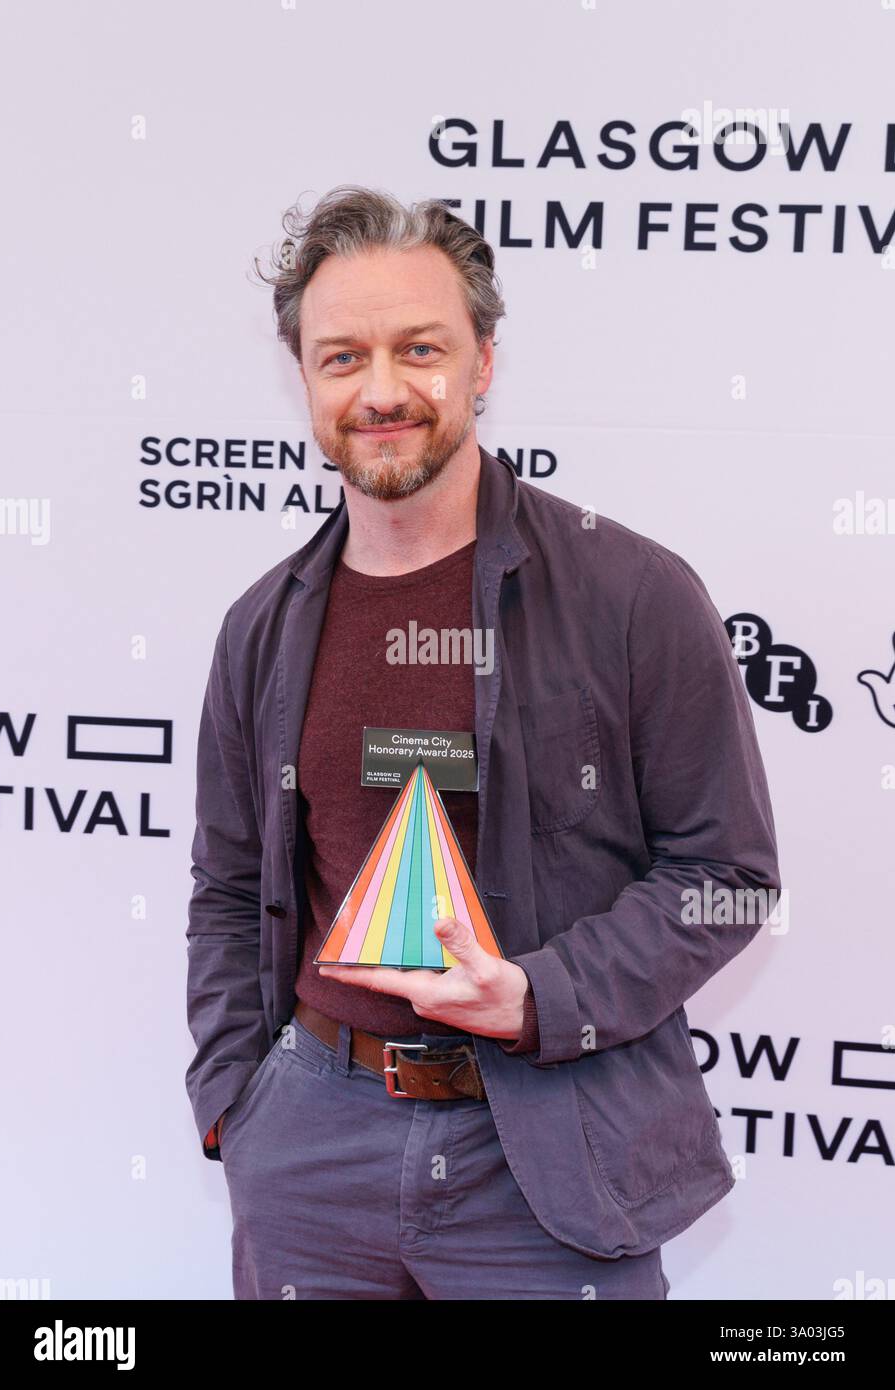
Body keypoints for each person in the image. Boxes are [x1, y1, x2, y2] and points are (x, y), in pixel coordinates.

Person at [184, 185, 781, 1300]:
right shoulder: (261, 625)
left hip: (553, 1154)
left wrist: (538, 996)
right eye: (342, 357)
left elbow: (727, 876)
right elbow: (226, 887)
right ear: (303, 378)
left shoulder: (631, 593)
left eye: (419, 349)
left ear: (483, 363)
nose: (381, 390)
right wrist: (235, 1104)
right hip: (310, 1155)